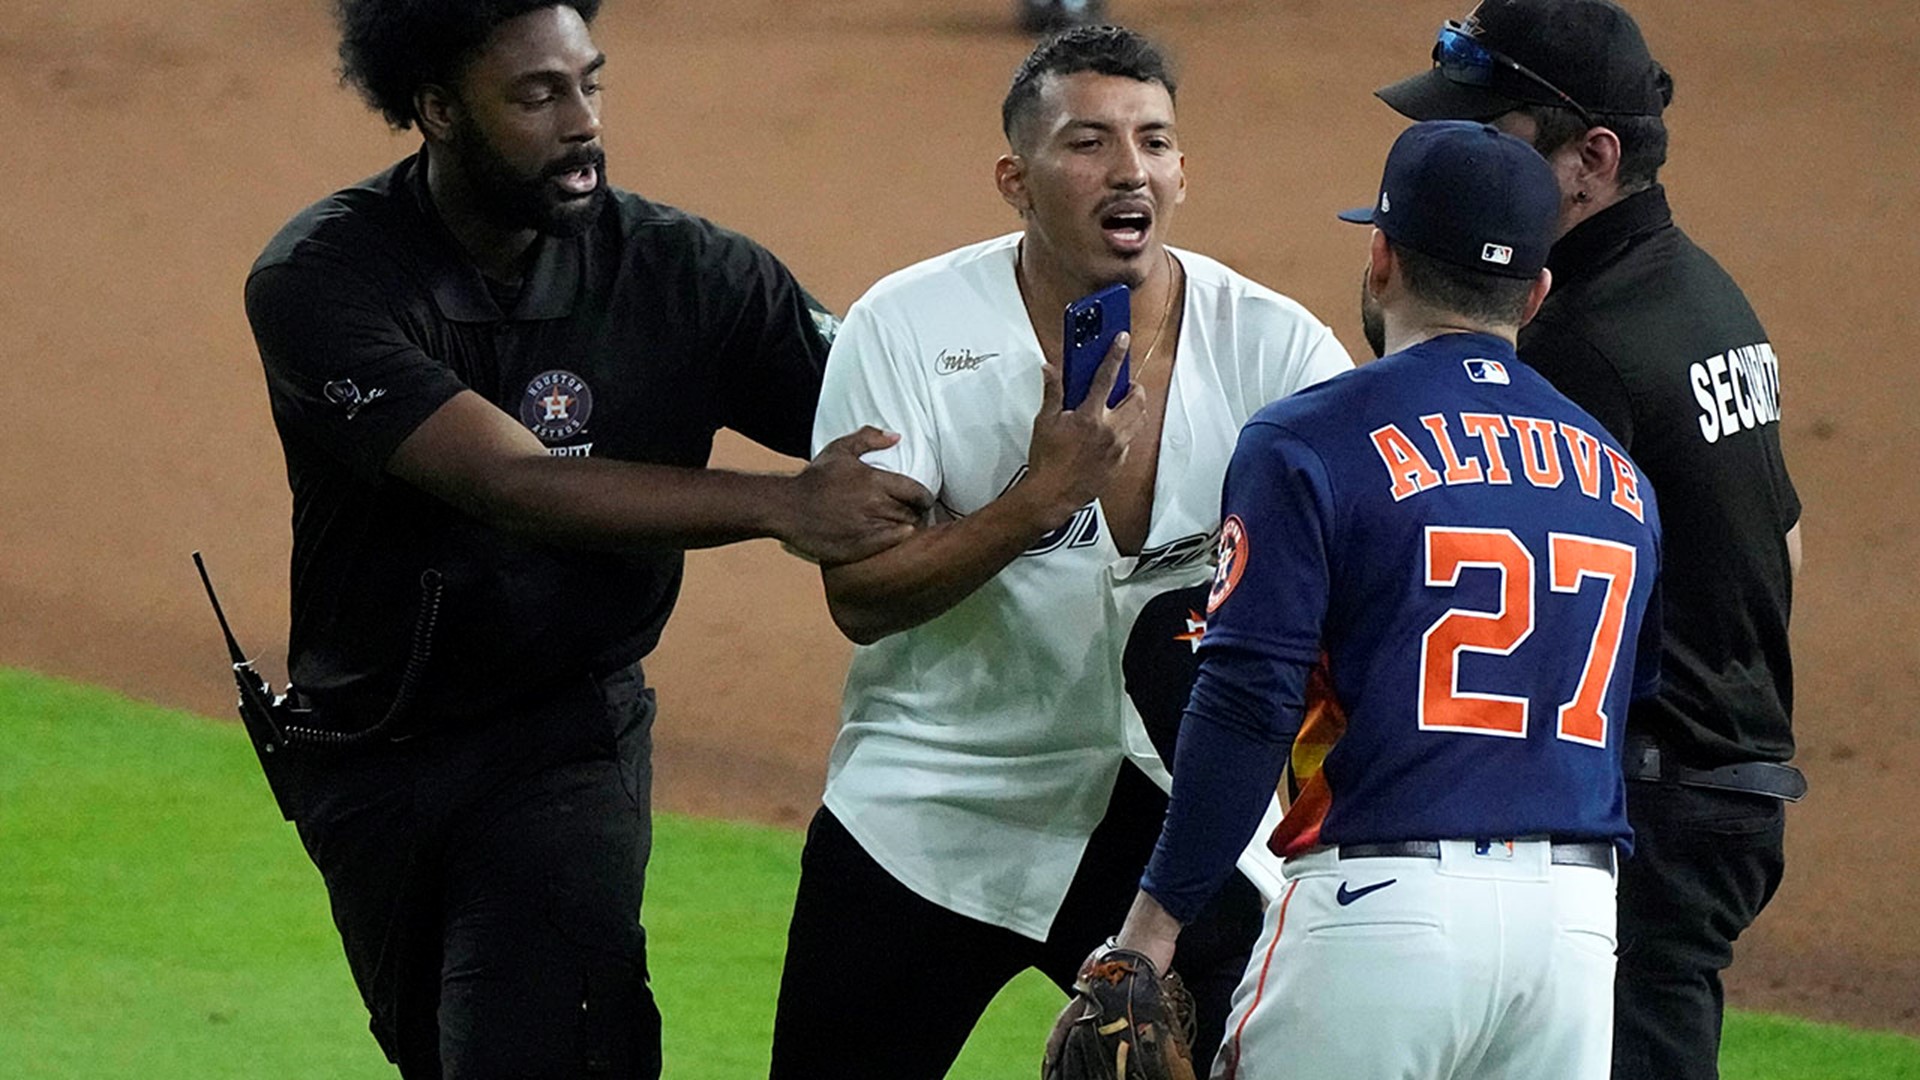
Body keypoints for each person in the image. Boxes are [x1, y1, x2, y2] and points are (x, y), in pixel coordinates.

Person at [241, 2, 929, 1076]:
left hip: (564, 735)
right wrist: (779, 504)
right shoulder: (323, 281)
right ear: (437, 111)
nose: (581, 121)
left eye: (589, 84)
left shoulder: (688, 274)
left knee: (548, 1046)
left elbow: (905, 428)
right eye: (536, 94)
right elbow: (508, 480)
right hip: (367, 753)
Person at [767, 25, 1352, 1079]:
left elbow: (1342, 609)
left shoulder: (1280, 352)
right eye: (1088, 143)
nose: (1130, 169)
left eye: (1155, 142)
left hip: (1170, 824)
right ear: (1016, 179)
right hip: (933, 807)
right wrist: (1036, 500)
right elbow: (858, 598)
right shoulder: (905, 330)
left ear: (1182, 169)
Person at [1099, 120, 1664, 1080]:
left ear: (1381, 257)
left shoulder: (1308, 439)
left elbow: (1246, 701)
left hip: (1381, 914)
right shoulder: (1620, 478)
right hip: (1572, 933)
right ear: (1535, 291)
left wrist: (1149, 931)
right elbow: (1627, 702)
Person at [1374, 3, 1805, 1076]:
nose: (1464, 156)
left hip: (1647, 812)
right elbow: (1785, 542)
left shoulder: (1575, 345)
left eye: (1494, 135)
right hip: (1716, 783)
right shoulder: (1704, 293)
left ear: (1592, 159)